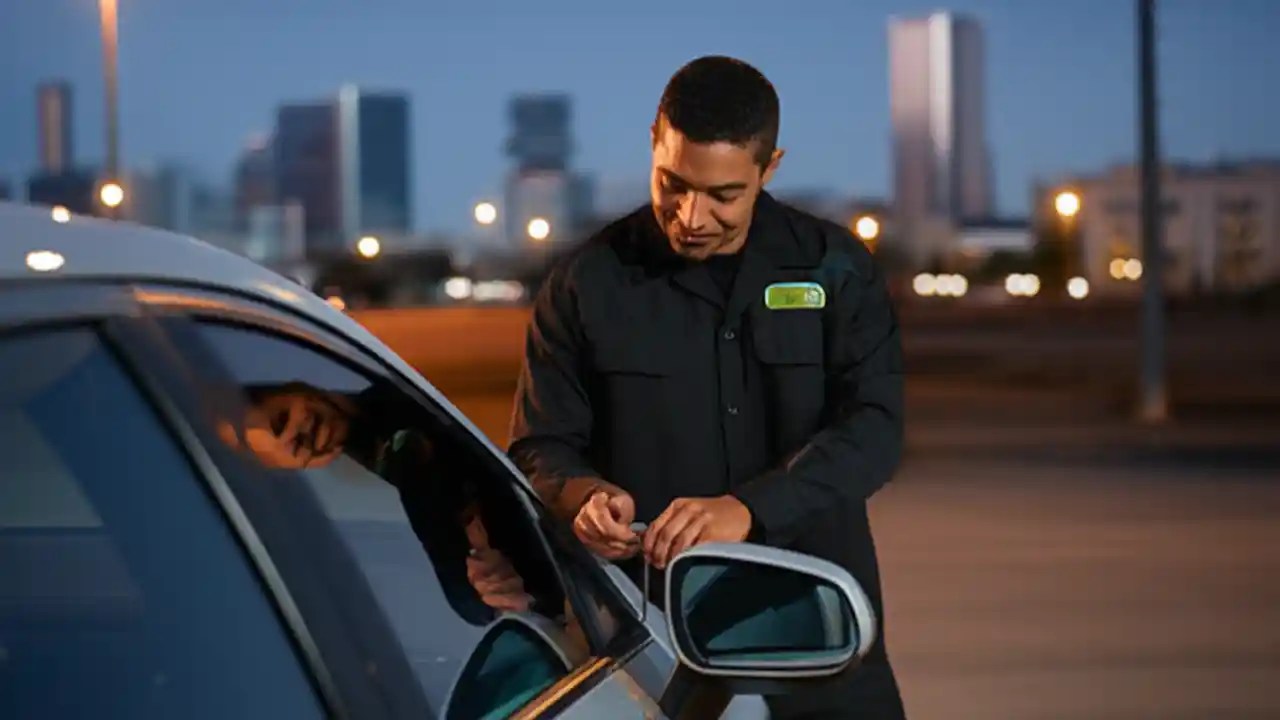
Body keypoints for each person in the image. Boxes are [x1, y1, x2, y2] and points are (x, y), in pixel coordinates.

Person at [509, 55, 906, 718]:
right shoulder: (586, 284)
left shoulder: (834, 268)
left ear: (769, 168)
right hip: (661, 654)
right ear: (654, 143)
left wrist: (750, 508)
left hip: (818, 645)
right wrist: (584, 497)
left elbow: (875, 430)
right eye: (673, 184)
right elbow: (539, 446)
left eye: (723, 195)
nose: (691, 216)